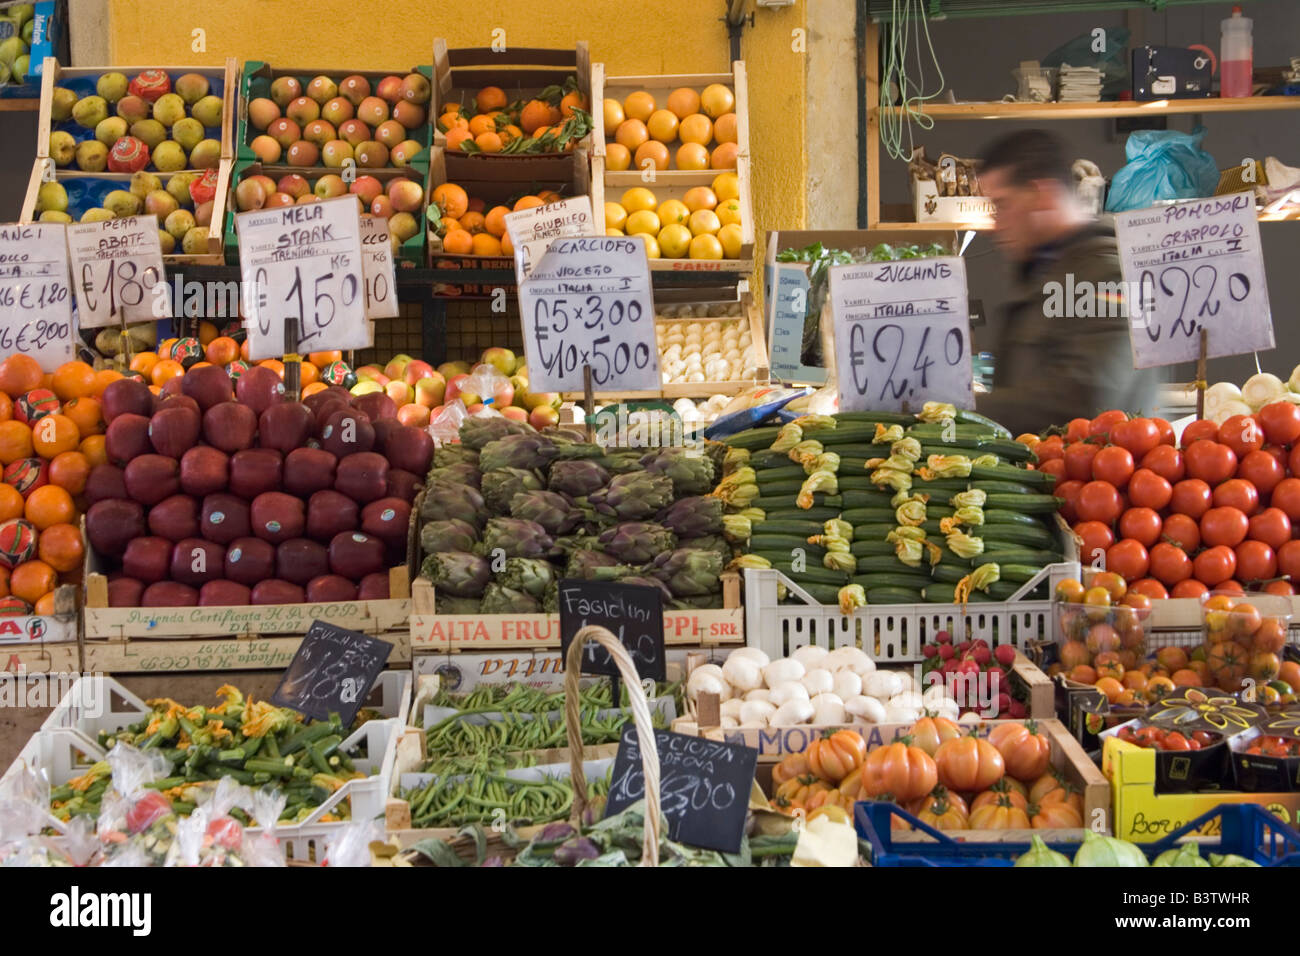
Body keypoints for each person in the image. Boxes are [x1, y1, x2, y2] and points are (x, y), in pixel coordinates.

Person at [973, 129, 1161, 437]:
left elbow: (1087, 397)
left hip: (1098, 480)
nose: (995, 225)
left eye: (1002, 205)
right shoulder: (1048, 269)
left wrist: (961, 409)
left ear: (1042, 195)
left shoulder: (1107, 274)